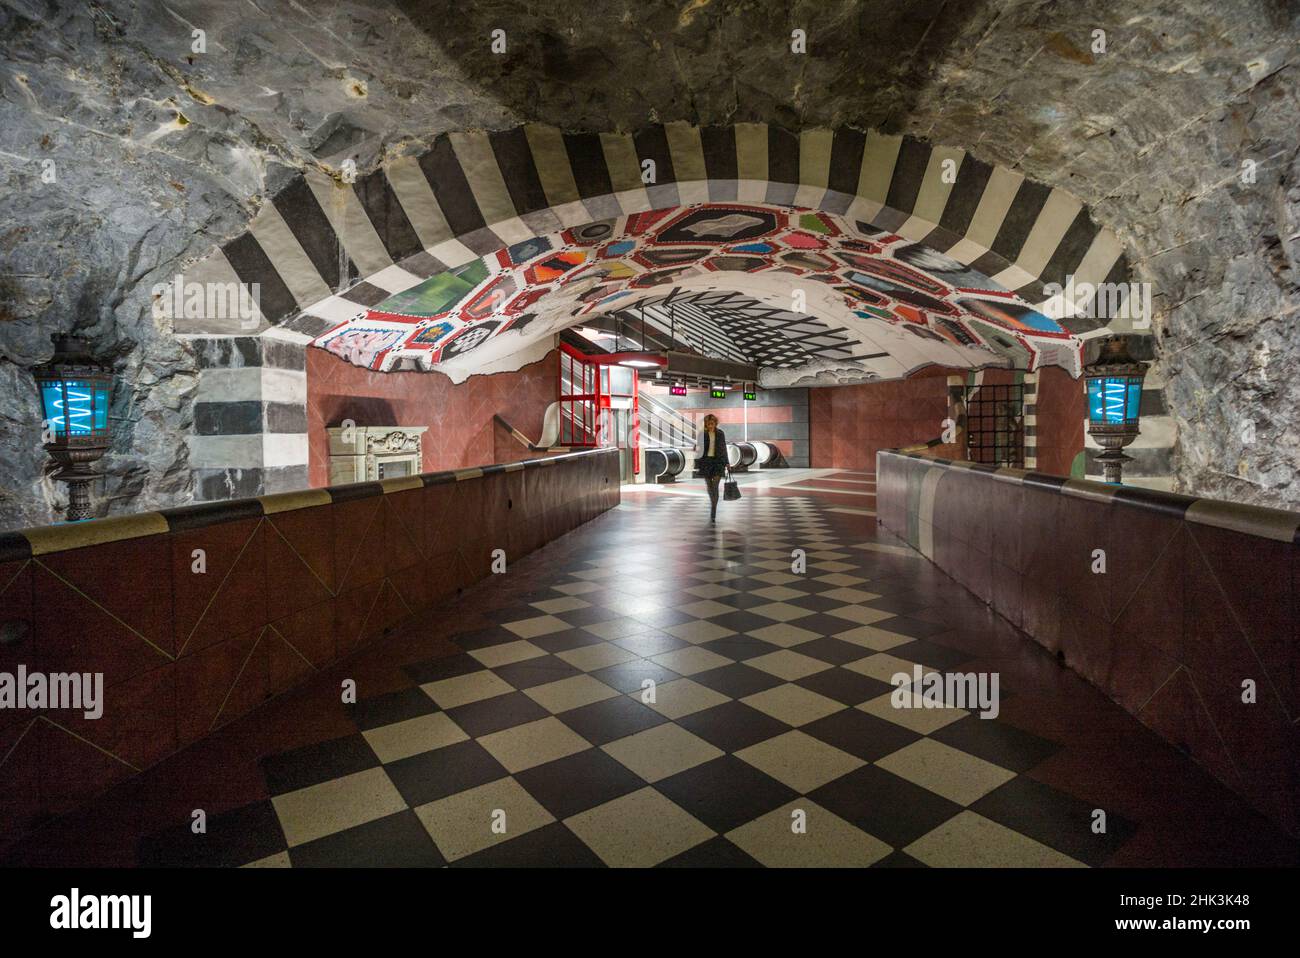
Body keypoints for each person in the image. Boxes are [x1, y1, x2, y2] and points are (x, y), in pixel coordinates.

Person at [696, 414, 728, 523]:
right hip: (706, 462)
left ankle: (713, 509)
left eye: (712, 424)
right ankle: (713, 503)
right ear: (706, 424)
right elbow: (699, 449)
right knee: (709, 486)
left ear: (715, 423)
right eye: (708, 424)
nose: (710, 426)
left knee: (715, 486)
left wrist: (727, 463)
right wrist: (696, 450)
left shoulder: (720, 434)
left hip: (718, 462)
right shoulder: (702, 434)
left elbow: (724, 448)